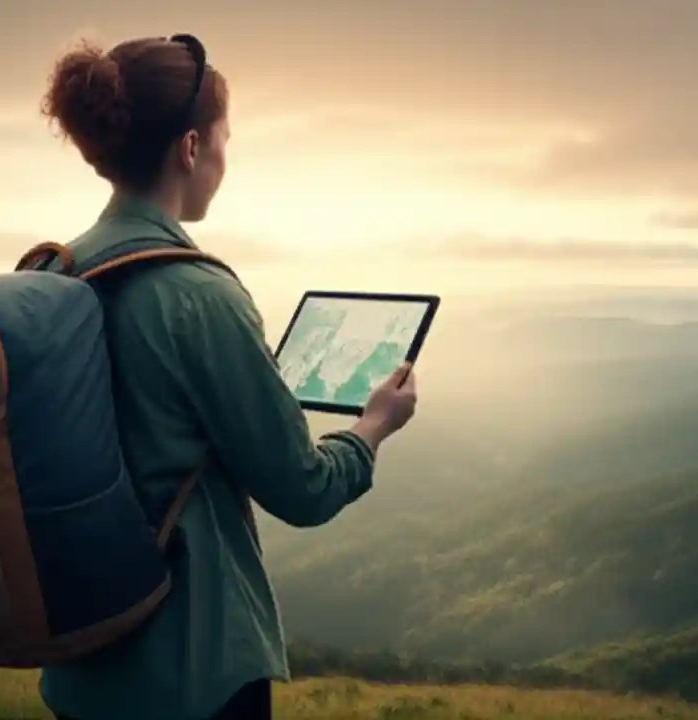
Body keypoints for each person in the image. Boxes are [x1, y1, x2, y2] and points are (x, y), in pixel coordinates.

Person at [35, 34, 418, 720]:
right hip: (196, 671)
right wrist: (371, 429)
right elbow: (303, 489)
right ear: (189, 147)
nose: (222, 157)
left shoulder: (52, 274)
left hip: (81, 666)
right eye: (223, 138)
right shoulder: (198, 296)